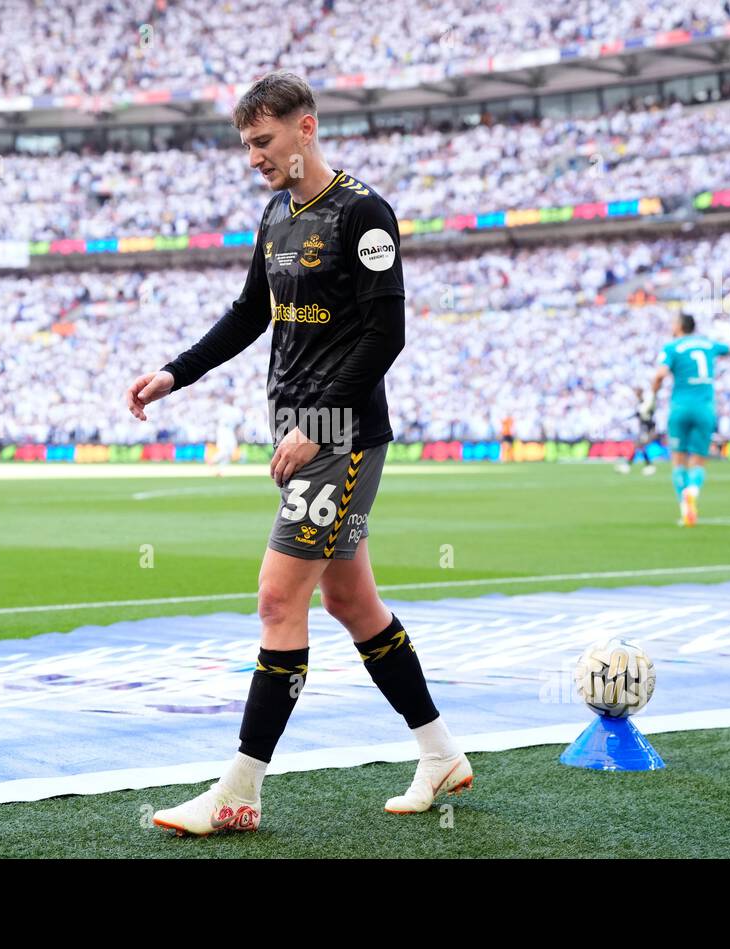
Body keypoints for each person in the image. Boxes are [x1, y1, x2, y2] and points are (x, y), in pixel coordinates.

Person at [123, 72, 472, 837]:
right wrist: (175, 372)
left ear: (305, 128)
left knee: (279, 600)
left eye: (264, 141)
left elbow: (387, 334)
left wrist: (319, 419)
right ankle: (440, 751)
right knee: (350, 602)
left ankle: (239, 791)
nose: (253, 156)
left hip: (340, 437)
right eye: (247, 144)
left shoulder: (365, 213)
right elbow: (253, 311)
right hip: (301, 430)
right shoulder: (275, 213)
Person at [648, 314, 730, 526]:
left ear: (679, 326)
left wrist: (652, 395)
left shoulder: (672, 347)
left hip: (680, 408)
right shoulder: (707, 344)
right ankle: (693, 491)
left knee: (678, 461)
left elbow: (660, 374)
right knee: (698, 461)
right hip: (705, 408)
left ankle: (685, 507)